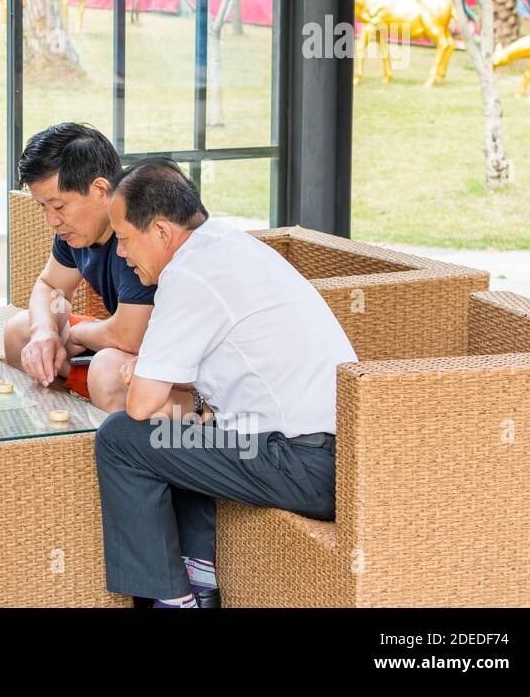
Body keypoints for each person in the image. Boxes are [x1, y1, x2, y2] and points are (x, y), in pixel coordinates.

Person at [93, 158, 357, 608]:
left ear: (161, 231)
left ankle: (171, 602)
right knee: (189, 432)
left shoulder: (188, 274)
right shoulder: (229, 245)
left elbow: (140, 406)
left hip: (302, 463)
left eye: (123, 238)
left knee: (121, 438)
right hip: (332, 455)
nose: (120, 253)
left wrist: (148, 374)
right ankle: (199, 580)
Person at [3, 123, 156, 411]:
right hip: (120, 345)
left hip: (166, 365)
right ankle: (58, 424)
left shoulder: (138, 230)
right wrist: (45, 332)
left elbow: (130, 337)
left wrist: (77, 333)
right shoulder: (76, 233)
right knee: (21, 331)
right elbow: (52, 287)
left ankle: (108, 431)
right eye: (43, 206)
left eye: (59, 206)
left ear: (100, 190)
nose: (51, 220)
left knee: (106, 369)